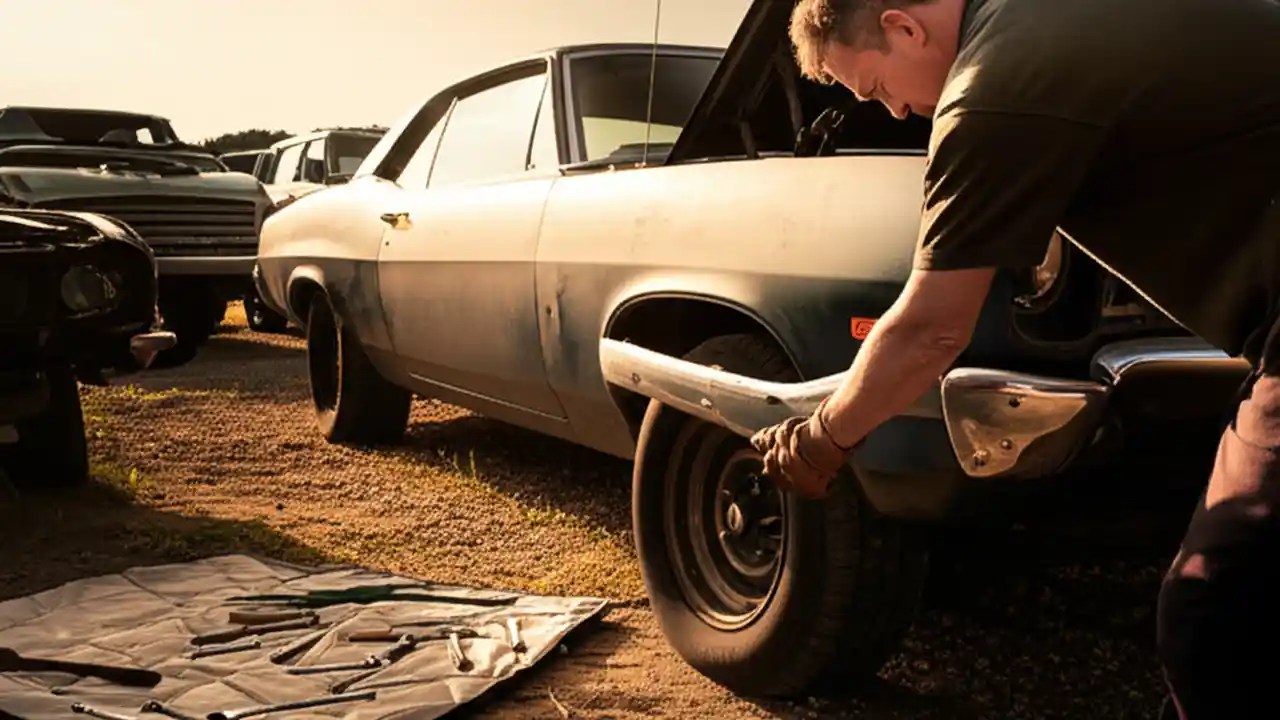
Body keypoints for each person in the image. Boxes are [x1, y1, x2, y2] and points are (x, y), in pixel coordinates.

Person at [749, 0, 1280, 717]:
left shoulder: (992, 87)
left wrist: (819, 441)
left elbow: (931, 331)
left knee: (1216, 616)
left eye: (876, 90)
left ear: (904, 26)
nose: (900, 114)